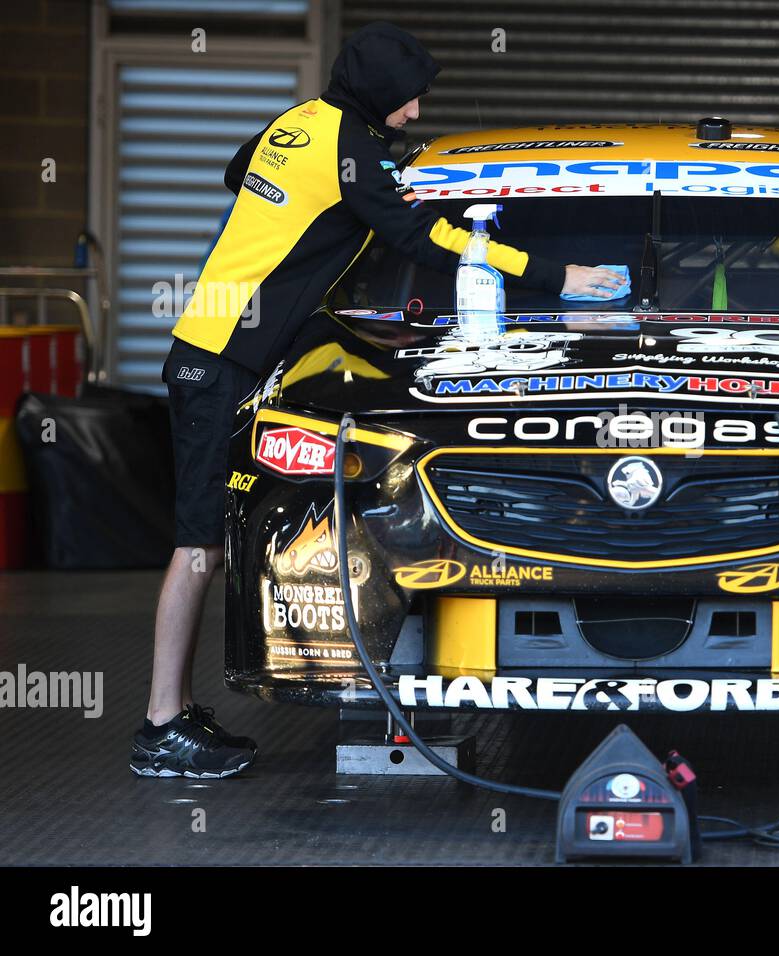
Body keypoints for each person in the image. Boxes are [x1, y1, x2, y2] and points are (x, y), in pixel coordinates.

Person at [131, 21, 623, 778]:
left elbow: (240, 174)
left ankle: (175, 713)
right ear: (379, 95)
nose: (417, 114)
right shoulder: (351, 150)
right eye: (410, 101)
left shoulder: (298, 122)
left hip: (212, 346)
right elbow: (426, 240)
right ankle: (161, 724)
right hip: (218, 362)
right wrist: (560, 278)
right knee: (198, 544)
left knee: (213, 540)